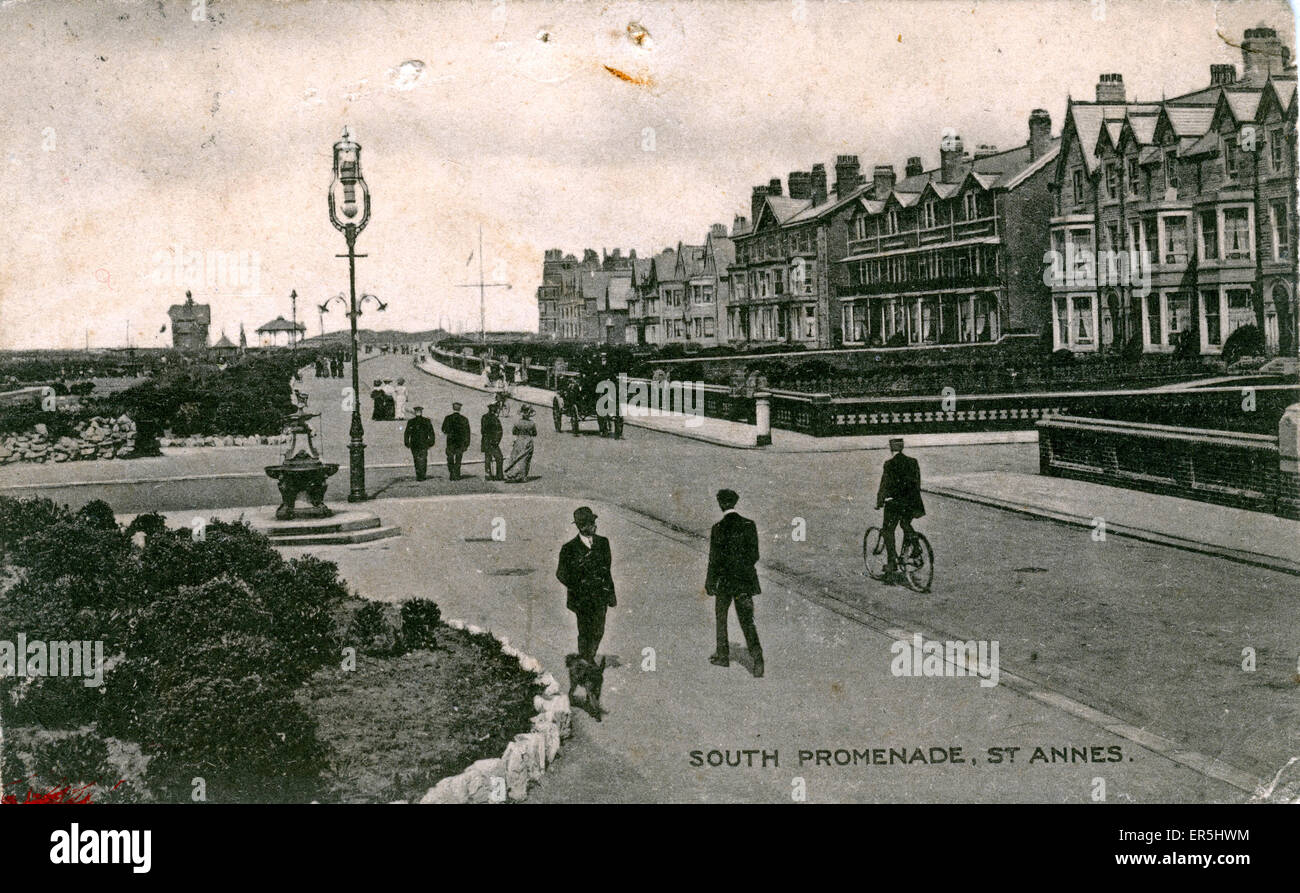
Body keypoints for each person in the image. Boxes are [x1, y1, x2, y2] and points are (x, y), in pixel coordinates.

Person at [705, 489, 764, 678]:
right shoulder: (749, 525)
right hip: (744, 582)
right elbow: (755, 555)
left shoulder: (718, 528)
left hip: (724, 582)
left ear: (721, 504)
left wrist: (710, 582)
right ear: (735, 503)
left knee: (721, 617)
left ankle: (723, 656)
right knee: (747, 621)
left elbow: (713, 560)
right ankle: (758, 659)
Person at [556, 506, 616, 663]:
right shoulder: (569, 548)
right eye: (589, 523)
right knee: (585, 629)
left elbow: (607, 570)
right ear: (580, 526)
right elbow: (561, 574)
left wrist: (610, 593)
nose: (593, 526)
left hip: (600, 595)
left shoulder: (603, 543)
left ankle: (589, 654)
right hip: (581, 598)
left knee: (599, 629)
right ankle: (587, 657)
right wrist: (578, 582)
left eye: (593, 522)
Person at [876, 437, 925, 582]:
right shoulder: (913, 461)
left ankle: (892, 563)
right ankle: (915, 545)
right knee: (905, 524)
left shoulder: (889, 464)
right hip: (912, 502)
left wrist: (880, 501)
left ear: (891, 448)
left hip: (896, 504)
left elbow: (884, 484)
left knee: (887, 530)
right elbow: (917, 483)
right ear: (902, 448)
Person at [503, 404, 537, 482]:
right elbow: (535, 433)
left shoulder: (517, 422)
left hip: (519, 440)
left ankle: (513, 474)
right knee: (526, 459)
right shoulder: (532, 423)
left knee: (515, 456)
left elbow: (514, 432)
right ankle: (523, 475)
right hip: (528, 440)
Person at [403, 406, 436, 481]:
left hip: (414, 444)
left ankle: (419, 475)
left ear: (415, 412)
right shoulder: (426, 421)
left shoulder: (411, 422)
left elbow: (407, 433)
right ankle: (423, 475)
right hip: (424, 443)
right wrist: (431, 442)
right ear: (421, 412)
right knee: (423, 459)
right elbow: (431, 433)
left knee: (416, 459)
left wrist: (407, 443)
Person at [441, 401, 471, 480]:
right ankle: (457, 474)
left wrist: (449, 433)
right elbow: (467, 432)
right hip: (460, 442)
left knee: (450, 458)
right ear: (460, 409)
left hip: (450, 442)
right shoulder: (464, 419)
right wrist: (467, 443)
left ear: (453, 408)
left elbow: (443, 429)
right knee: (458, 459)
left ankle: (451, 473)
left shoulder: (448, 418)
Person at [480, 402, 504, 481]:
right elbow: (499, 431)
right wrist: (496, 440)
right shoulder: (494, 419)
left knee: (488, 457)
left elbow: (482, 430)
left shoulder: (484, 417)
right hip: (493, 442)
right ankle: (499, 475)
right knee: (499, 458)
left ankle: (488, 474)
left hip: (486, 440)